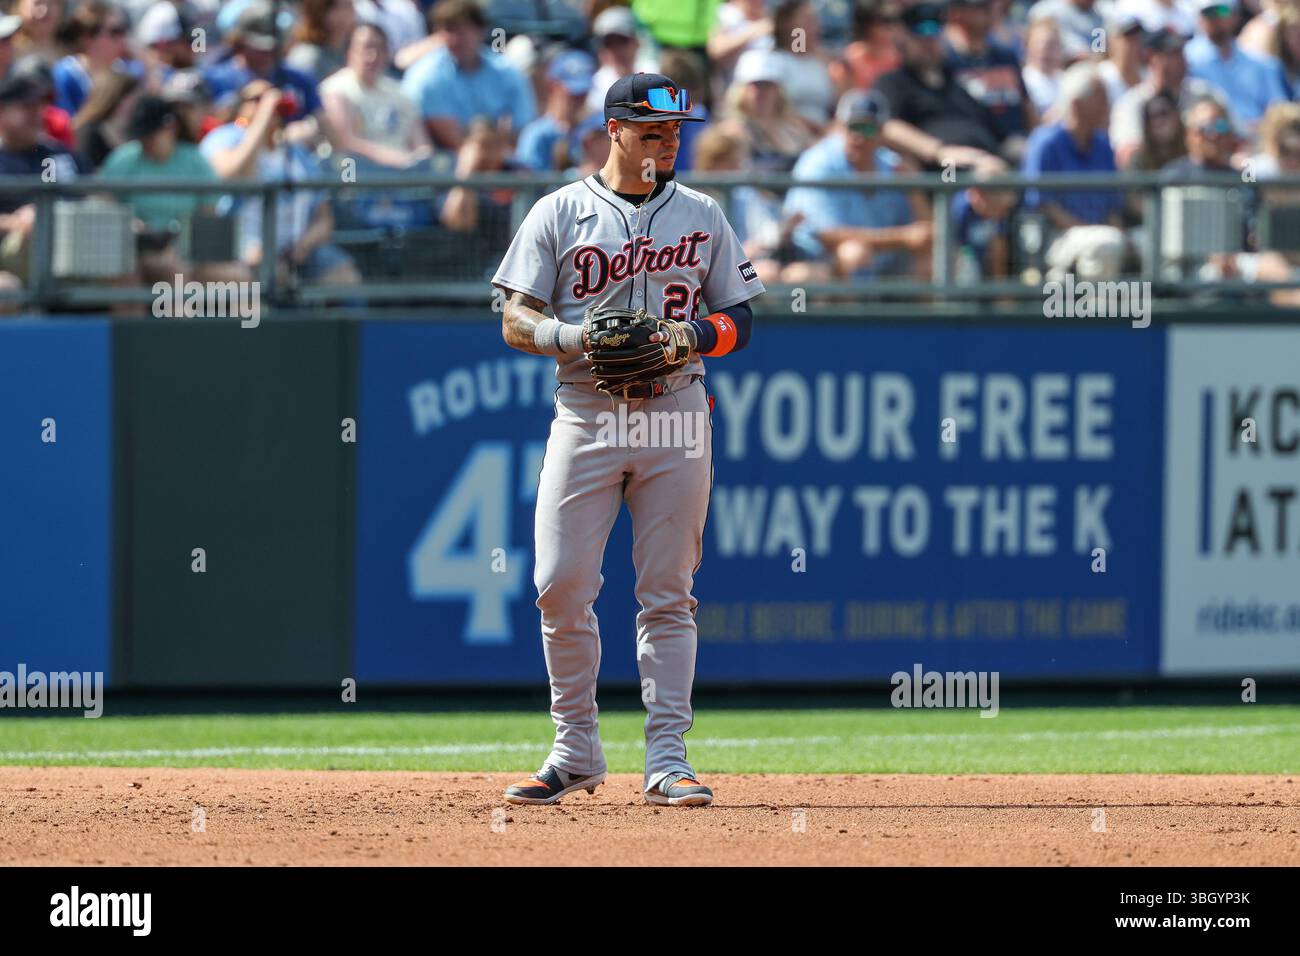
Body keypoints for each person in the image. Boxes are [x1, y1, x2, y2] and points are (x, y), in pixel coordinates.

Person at [492, 72, 761, 809]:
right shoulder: (561, 211)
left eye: (675, 130)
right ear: (614, 131)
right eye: (652, 130)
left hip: (676, 410)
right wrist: (572, 335)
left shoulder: (702, 213)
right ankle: (574, 751)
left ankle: (668, 760)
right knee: (559, 583)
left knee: (667, 594)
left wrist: (693, 332)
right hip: (586, 409)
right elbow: (515, 319)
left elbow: (741, 318)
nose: (668, 140)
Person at [200, 79, 359, 286]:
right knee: (270, 270)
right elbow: (231, 173)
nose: (268, 103)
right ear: (240, 106)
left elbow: (324, 217)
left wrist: (305, 243)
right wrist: (263, 115)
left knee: (343, 276)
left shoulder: (297, 153)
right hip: (240, 244)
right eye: (256, 99)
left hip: (295, 248)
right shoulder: (226, 137)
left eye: (272, 98)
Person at [98, 95, 246, 284]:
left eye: (152, 133)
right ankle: (178, 314)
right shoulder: (124, 159)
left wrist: (187, 245)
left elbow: (208, 215)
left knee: (239, 277)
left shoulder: (194, 160)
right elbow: (103, 202)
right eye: (142, 134)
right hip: (138, 250)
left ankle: (252, 315)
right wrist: (132, 224)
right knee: (174, 272)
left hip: (188, 249)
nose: (146, 140)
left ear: (171, 128)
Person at [785, 89, 930, 279]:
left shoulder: (892, 165)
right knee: (854, 253)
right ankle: (848, 310)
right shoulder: (818, 163)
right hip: (816, 260)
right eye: (852, 127)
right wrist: (903, 238)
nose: (858, 137)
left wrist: (914, 190)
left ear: (881, 132)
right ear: (839, 127)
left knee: (929, 260)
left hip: (884, 261)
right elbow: (828, 236)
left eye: (867, 129)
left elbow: (927, 231)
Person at [875, 2, 1007, 172]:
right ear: (903, 41)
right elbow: (887, 127)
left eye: (934, 36)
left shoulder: (956, 80)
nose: (929, 43)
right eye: (919, 37)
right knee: (983, 177)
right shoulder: (893, 82)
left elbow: (992, 129)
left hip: (989, 159)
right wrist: (940, 151)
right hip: (946, 171)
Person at [400, 0, 535, 151]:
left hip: (505, 162)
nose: (455, 39)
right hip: (445, 167)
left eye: (462, 30)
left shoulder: (507, 72)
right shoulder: (425, 76)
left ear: (480, 31)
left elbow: (522, 129)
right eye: (449, 30)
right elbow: (455, 142)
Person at [0, 74, 88, 283]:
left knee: (126, 276)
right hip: (10, 258)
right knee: (5, 290)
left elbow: (100, 196)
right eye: (26, 108)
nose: (37, 114)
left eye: (39, 107)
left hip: (73, 249)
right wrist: (16, 221)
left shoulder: (61, 154)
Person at [201, 3, 327, 138]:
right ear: (241, 42)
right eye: (260, 48)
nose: (268, 54)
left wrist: (309, 127)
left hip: (288, 153)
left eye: (273, 48)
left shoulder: (299, 79)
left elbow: (322, 121)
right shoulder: (213, 79)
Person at [320, 22, 429, 169]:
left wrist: (422, 162)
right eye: (366, 48)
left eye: (379, 49)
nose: (372, 56)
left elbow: (421, 145)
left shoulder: (402, 94)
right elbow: (346, 143)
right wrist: (396, 159)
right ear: (350, 52)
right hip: (354, 174)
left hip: (403, 178)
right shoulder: (334, 90)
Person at [1110, 27, 1219, 169]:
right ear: (1151, 58)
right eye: (1172, 54)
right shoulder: (1132, 102)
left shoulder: (1203, 93)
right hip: (1152, 180)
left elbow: (1236, 136)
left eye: (1181, 53)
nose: (1181, 60)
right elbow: (1127, 155)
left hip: (1200, 179)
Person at [944, 0, 1036, 162]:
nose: (993, 10)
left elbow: (1026, 105)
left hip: (1018, 146)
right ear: (957, 13)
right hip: (972, 153)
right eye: (982, 6)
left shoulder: (1006, 57)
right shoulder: (945, 61)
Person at [1184, 0, 1288, 134]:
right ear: (1199, 19)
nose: (1215, 18)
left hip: (1259, 138)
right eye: (1208, 12)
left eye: (1222, 11)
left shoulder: (1261, 64)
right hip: (1213, 138)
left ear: (1236, 16)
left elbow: (1279, 109)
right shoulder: (1186, 61)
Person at [716, 47, 817, 172]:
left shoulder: (794, 128)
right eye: (756, 85)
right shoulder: (732, 131)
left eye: (769, 85)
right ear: (741, 90)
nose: (763, 92)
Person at [514, 49, 595, 172]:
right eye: (573, 93)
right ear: (553, 86)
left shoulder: (597, 129)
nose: (580, 98)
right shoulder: (536, 134)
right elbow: (529, 186)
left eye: (584, 92)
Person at [51, 1, 134, 115]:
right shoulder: (65, 75)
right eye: (115, 32)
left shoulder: (127, 70)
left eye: (123, 30)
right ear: (88, 37)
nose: (122, 39)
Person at [769, 0, 839, 129]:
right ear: (786, 24)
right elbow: (775, 109)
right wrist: (819, 128)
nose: (815, 27)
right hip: (789, 133)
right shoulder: (774, 62)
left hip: (824, 135)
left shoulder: (823, 64)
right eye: (807, 20)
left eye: (815, 21)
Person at [586, 5, 652, 115]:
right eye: (609, 43)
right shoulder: (596, 85)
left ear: (636, 42)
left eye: (622, 41)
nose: (617, 50)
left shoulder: (654, 73)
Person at [72, 69, 142, 168]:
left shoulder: (136, 133)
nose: (136, 105)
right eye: (131, 99)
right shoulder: (87, 134)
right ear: (114, 98)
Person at [707, 0, 774, 93]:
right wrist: (752, 33)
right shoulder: (727, 14)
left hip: (771, 86)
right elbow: (715, 50)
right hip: (736, 89)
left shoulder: (771, 13)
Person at [286, 0, 356, 83]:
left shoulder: (350, 51)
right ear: (319, 11)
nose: (345, 15)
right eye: (337, 8)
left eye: (349, 6)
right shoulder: (307, 57)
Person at [1026, 0, 1105, 63]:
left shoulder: (1100, 18)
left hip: (1089, 69)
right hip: (1058, 66)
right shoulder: (1046, 10)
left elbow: (1100, 50)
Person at [1127, 89, 1186, 170]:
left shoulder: (1193, 153)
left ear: (1176, 116)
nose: (1159, 121)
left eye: (1163, 113)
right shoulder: (1140, 160)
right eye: (1152, 117)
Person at [1021, 18, 1064, 119]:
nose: (1045, 50)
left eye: (1052, 45)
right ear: (1027, 46)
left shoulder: (1067, 80)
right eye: (1039, 44)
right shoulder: (1022, 81)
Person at [13, 0, 65, 66]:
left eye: (52, 3)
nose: (45, 10)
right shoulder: (8, 51)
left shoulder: (71, 55)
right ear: (21, 7)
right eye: (38, 3)